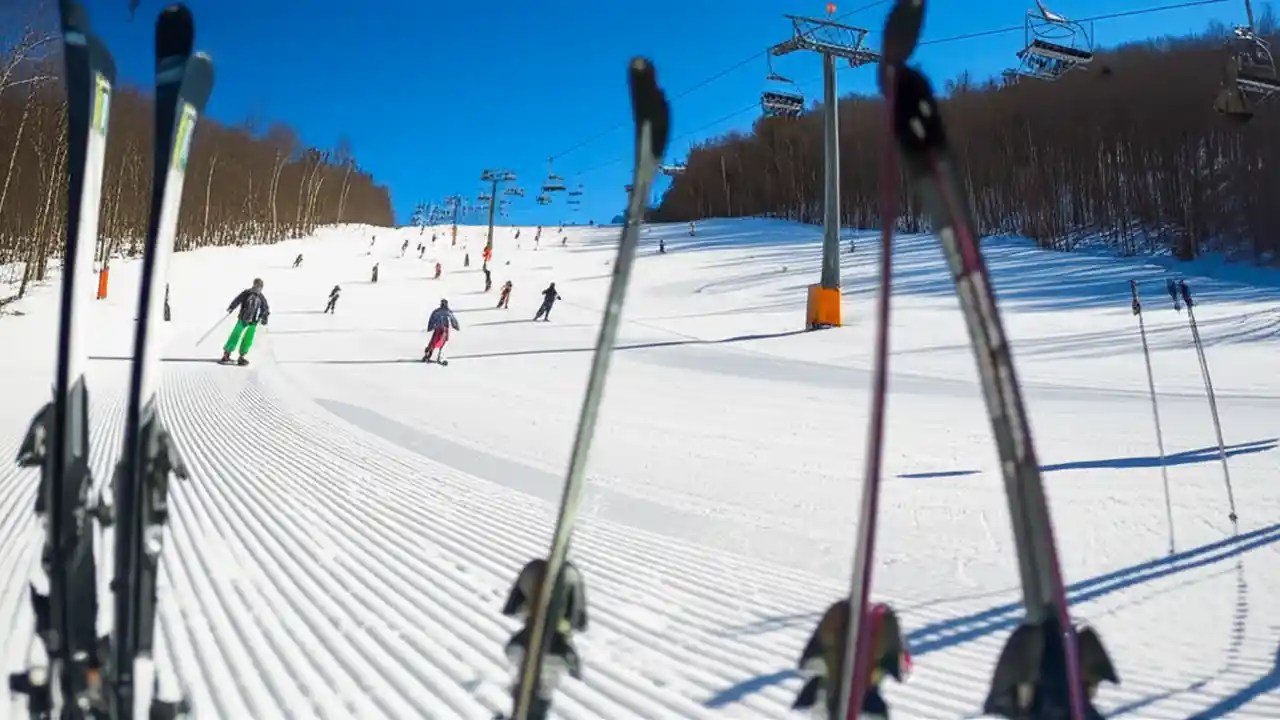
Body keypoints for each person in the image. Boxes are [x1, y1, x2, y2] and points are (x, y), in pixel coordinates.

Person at [221, 278, 270, 365]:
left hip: (253, 322)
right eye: (256, 286)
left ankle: (242, 356)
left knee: (248, 339)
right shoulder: (247, 293)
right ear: (253, 285)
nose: (258, 288)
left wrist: (264, 317)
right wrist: (232, 307)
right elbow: (238, 299)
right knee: (235, 335)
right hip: (243, 318)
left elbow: (265, 308)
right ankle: (227, 353)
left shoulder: (261, 298)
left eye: (260, 287)